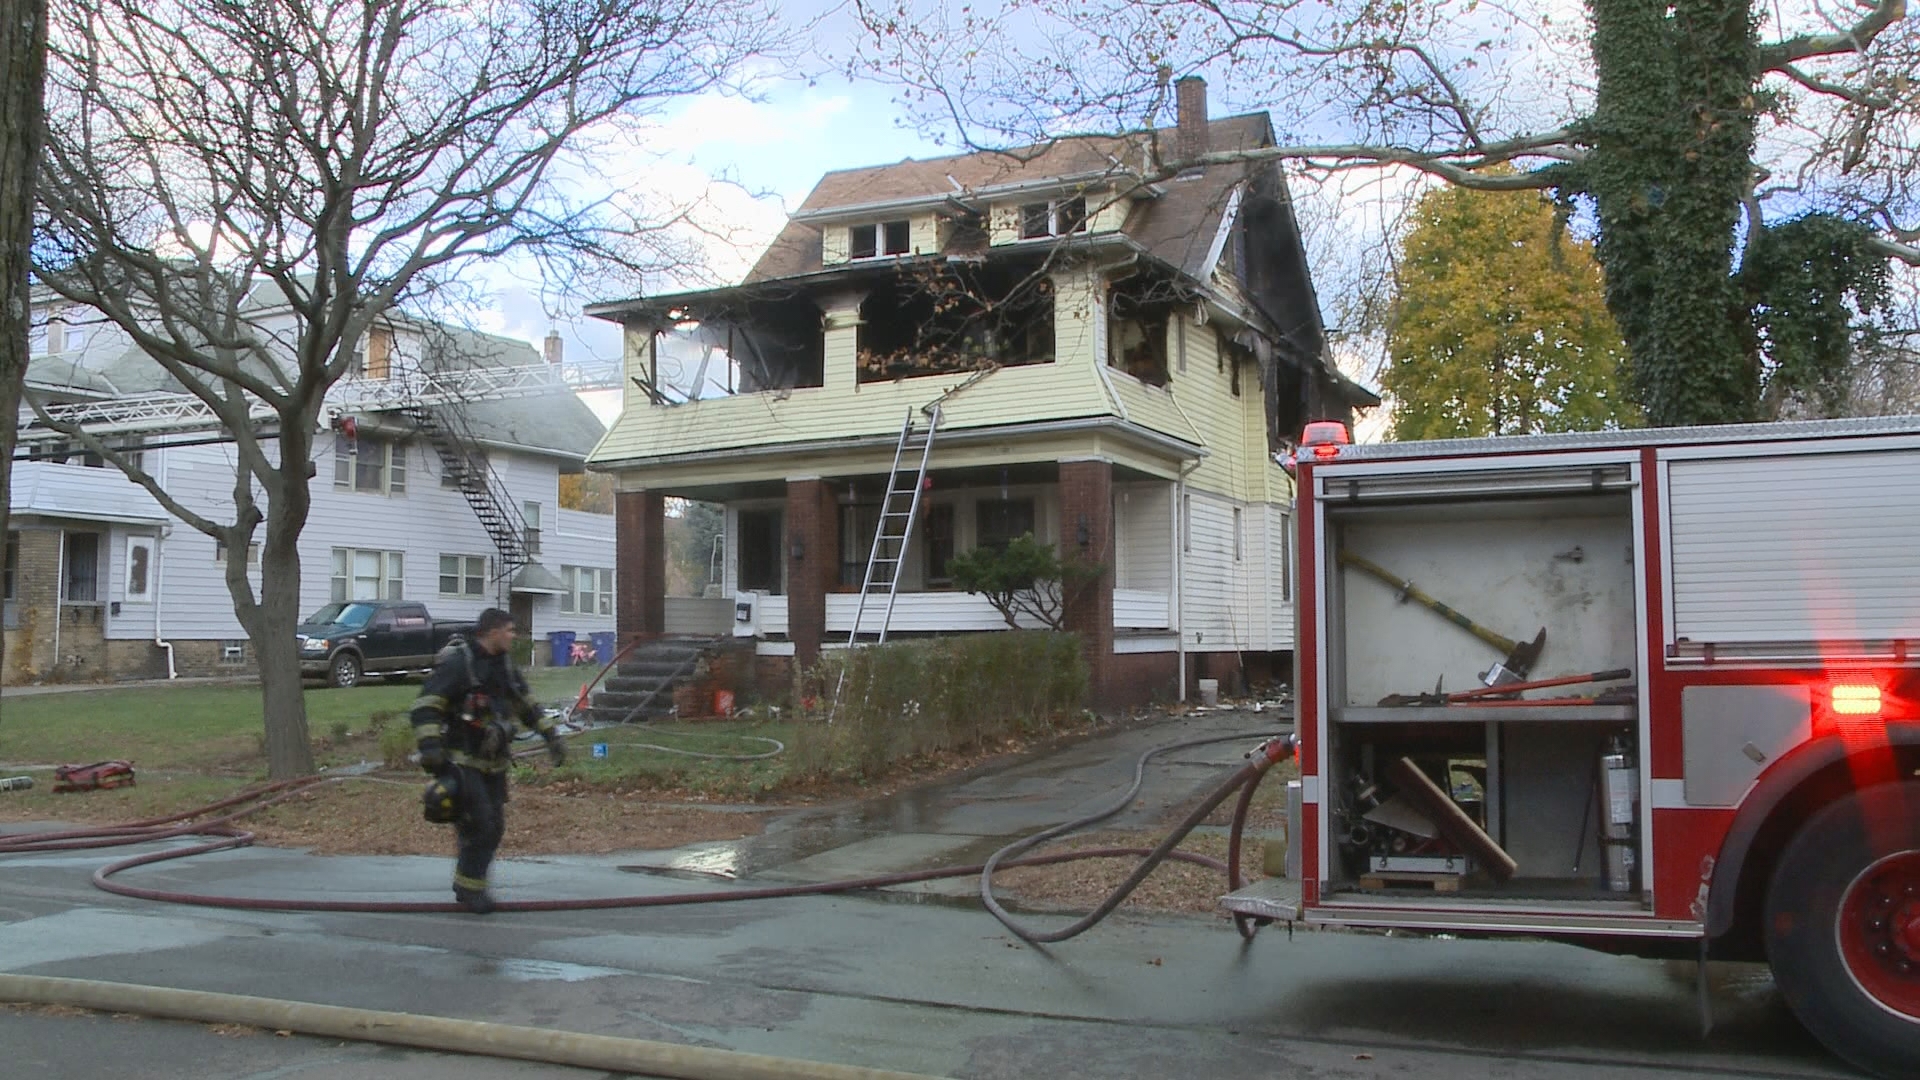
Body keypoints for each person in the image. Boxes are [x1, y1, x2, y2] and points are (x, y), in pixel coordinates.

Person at [411, 607, 566, 914]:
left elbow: (525, 702)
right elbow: (426, 705)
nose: (513, 636)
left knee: (494, 827)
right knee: (479, 823)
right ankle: (471, 891)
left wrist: (551, 735)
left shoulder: (504, 666)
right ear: (492, 632)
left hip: (493, 764)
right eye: (509, 630)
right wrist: (430, 747)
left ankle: (468, 885)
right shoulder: (459, 665)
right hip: (462, 761)